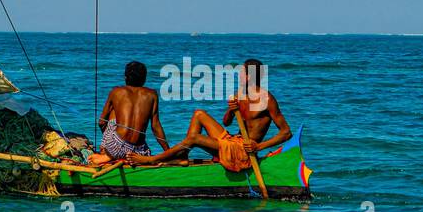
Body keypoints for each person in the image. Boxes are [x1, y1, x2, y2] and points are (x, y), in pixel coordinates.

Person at [129, 58, 293, 167]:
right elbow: (227, 122)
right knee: (199, 113)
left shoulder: (266, 99)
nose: (239, 74)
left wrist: (259, 146)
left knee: (194, 138)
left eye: (242, 72)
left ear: (249, 76)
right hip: (233, 141)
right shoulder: (240, 93)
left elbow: (286, 133)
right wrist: (231, 110)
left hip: (242, 152)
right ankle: (183, 156)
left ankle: (152, 159)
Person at [87, 61, 171, 166]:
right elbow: (156, 127)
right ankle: (117, 158)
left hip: (115, 148)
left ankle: (107, 155)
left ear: (126, 78)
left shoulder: (116, 92)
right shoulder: (152, 94)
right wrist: (168, 153)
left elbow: (101, 122)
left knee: (114, 111)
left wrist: (107, 144)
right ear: (144, 79)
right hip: (138, 153)